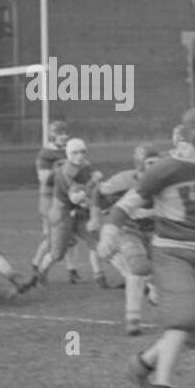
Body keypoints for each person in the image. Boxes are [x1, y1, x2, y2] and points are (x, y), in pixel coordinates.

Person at [101, 108, 195, 388]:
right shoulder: (164, 170)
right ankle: (162, 387)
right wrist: (109, 232)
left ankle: (143, 363)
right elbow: (124, 205)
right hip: (172, 253)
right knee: (183, 318)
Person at [95, 144, 163, 335]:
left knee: (163, 271)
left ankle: (154, 292)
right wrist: (94, 217)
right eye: (150, 163)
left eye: (157, 163)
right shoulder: (124, 180)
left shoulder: (166, 181)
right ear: (140, 164)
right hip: (130, 230)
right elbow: (97, 193)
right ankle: (132, 318)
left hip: (157, 232)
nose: (154, 167)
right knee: (139, 267)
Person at [24, 138, 107, 288]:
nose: (80, 156)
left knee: (96, 243)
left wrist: (96, 195)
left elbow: (90, 193)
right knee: (57, 253)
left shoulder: (86, 167)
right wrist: (92, 185)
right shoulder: (65, 172)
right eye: (75, 152)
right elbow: (76, 198)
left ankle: (100, 276)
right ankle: (41, 272)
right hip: (63, 214)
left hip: (79, 211)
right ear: (68, 154)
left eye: (82, 152)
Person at [32, 121, 81, 279]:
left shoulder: (68, 151)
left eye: (65, 133)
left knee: (68, 235)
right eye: (59, 133)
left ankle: (72, 269)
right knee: (55, 237)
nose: (63, 136)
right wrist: (63, 172)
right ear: (52, 135)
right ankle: (36, 263)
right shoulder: (45, 154)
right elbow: (44, 178)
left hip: (65, 199)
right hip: (50, 200)